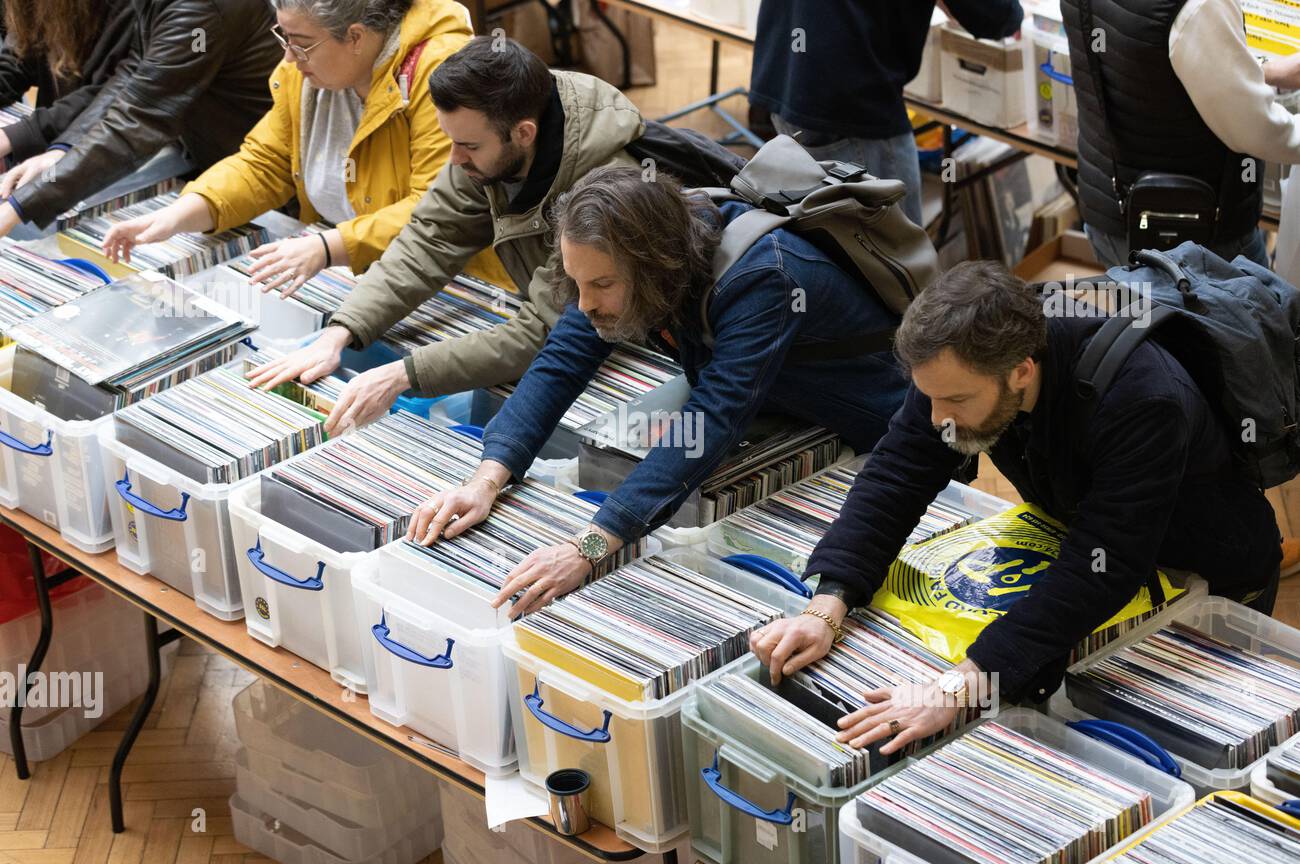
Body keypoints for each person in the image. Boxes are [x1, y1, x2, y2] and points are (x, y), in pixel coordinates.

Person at [749, 260, 1281, 757]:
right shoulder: (955, 364)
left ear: (1022, 370)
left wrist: (956, 686)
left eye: (955, 402)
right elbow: (897, 472)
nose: (937, 418)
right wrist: (829, 603)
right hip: (1093, 553)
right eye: (929, 398)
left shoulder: (1142, 399)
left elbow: (1103, 564)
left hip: (1210, 579)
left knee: (1162, 750)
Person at [404, 166, 910, 619]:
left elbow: (712, 419)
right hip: (764, 391)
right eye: (578, 282)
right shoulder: (637, 243)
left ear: (657, 266)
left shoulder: (764, 276)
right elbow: (561, 361)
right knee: (617, 456)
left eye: (601, 285)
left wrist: (588, 548)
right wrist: (485, 480)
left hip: (868, 421)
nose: (585, 302)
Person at [248, 35, 646, 434]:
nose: (455, 159)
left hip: (632, 357)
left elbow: (546, 327)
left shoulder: (605, 189)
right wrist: (343, 330)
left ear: (524, 133)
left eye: (468, 145)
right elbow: (432, 237)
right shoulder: (493, 138)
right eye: (451, 141)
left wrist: (403, 375)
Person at [98, 0, 508, 296]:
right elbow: (265, 162)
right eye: (282, 35)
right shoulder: (307, 71)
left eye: (301, 42)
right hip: (348, 274)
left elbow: (437, 210)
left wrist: (329, 247)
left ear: (356, 37)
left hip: (446, 282)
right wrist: (183, 213)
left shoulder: (441, 72)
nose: (289, 57)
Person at [0, 0, 283, 235]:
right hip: (221, 167)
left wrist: (19, 206)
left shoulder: (201, 13)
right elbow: (132, 77)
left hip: (270, 183)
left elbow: (140, 117)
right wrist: (65, 149)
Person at [1064, 0, 1300, 269]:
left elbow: (1147, 62)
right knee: (1254, 310)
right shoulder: (1201, 6)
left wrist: (1257, 70)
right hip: (1194, 235)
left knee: (1141, 310)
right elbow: (1258, 132)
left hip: (1108, 210)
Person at [747, 0, 1023, 226]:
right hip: (848, 104)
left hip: (785, 75)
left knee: (826, 233)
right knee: (895, 259)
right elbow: (995, 16)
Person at [0, 0, 135, 165]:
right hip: (54, 145)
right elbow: (18, 59)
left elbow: (113, 93)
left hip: (111, 150)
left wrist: (17, 136)